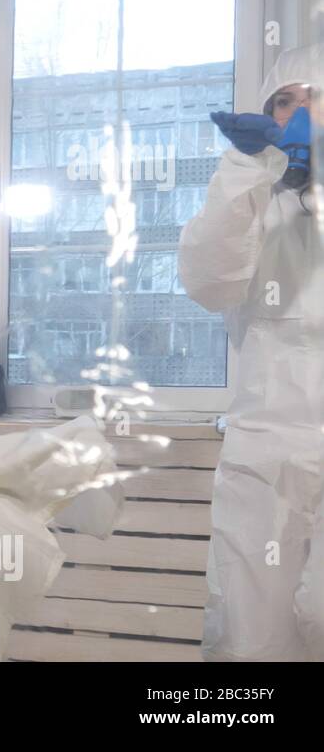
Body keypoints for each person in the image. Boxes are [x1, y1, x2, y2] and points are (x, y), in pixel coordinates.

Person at [179, 42, 322, 661]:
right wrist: (244, 170)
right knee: (250, 638)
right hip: (267, 455)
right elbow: (209, 282)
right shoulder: (253, 205)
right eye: (283, 102)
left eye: (314, 101)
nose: (297, 115)